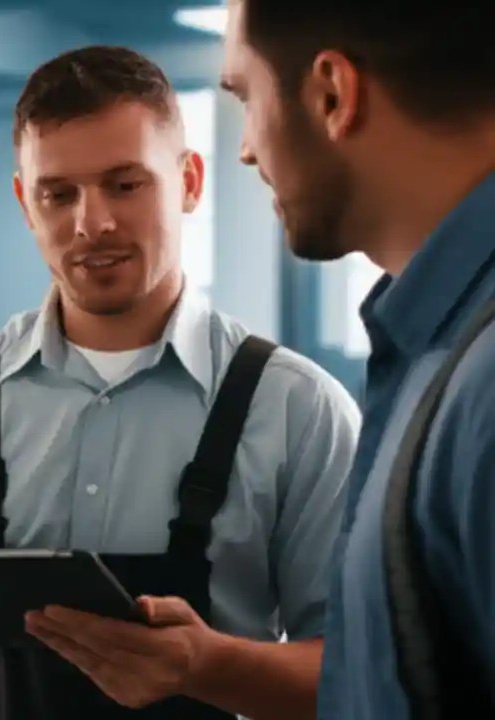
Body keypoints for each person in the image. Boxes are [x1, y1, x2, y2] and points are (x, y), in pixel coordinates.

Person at [0, 46, 361, 719]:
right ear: (24, 203)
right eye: (58, 194)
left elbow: (362, 675)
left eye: (126, 184)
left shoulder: (296, 407)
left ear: (190, 181)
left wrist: (209, 666)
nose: (93, 223)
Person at [219, 1, 495, 718]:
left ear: (332, 95)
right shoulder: (436, 350)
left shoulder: (484, 386)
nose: (246, 149)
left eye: (247, 99)